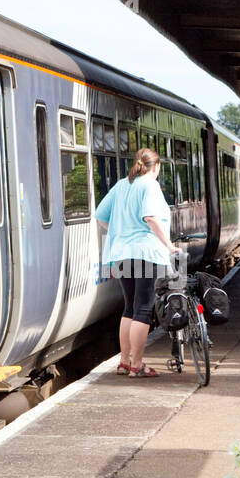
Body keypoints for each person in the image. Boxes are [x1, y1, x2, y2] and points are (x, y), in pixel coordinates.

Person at [95, 148, 182, 378]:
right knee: (143, 308)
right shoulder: (150, 185)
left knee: (129, 307)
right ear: (157, 166)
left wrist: (120, 232)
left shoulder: (122, 185)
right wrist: (169, 245)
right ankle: (137, 365)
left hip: (121, 253)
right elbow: (150, 217)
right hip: (145, 252)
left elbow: (101, 216)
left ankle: (124, 362)